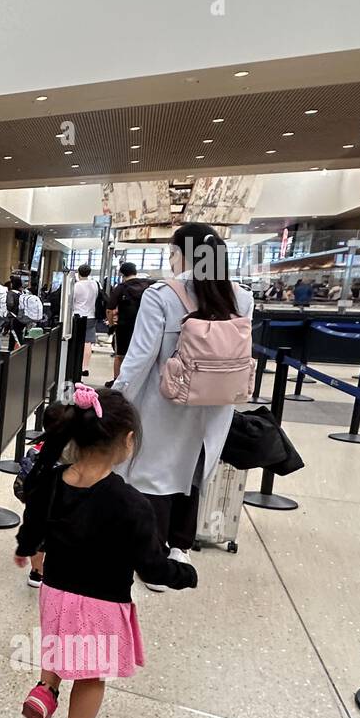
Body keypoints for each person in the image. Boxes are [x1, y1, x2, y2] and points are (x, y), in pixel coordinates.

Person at [14, 385, 196, 718]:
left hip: (54, 593)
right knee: (91, 675)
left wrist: (26, 548)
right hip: (98, 604)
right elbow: (153, 568)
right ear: (128, 442)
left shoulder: (52, 480)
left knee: (60, 643)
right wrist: (184, 574)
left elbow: (32, 523)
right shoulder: (132, 505)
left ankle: (46, 692)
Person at [112, 223, 253, 583]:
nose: (171, 261)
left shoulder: (162, 295)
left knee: (154, 476)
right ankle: (181, 547)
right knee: (194, 471)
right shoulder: (242, 297)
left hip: (166, 404)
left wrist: (115, 401)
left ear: (185, 254)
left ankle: (153, 562)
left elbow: (140, 359)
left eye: (172, 253)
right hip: (217, 406)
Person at [104, 261, 153, 383]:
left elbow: (109, 309)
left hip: (124, 326)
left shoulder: (121, 288)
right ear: (135, 272)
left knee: (120, 355)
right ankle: (135, 381)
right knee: (138, 354)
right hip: (143, 326)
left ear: (122, 274)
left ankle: (117, 381)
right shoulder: (148, 285)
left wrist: (111, 326)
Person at [71, 264, 100, 376]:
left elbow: (71, 301)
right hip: (92, 316)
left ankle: (76, 365)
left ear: (78, 273)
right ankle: (85, 367)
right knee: (88, 342)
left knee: (77, 342)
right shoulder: (95, 284)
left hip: (78, 316)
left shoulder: (77, 286)